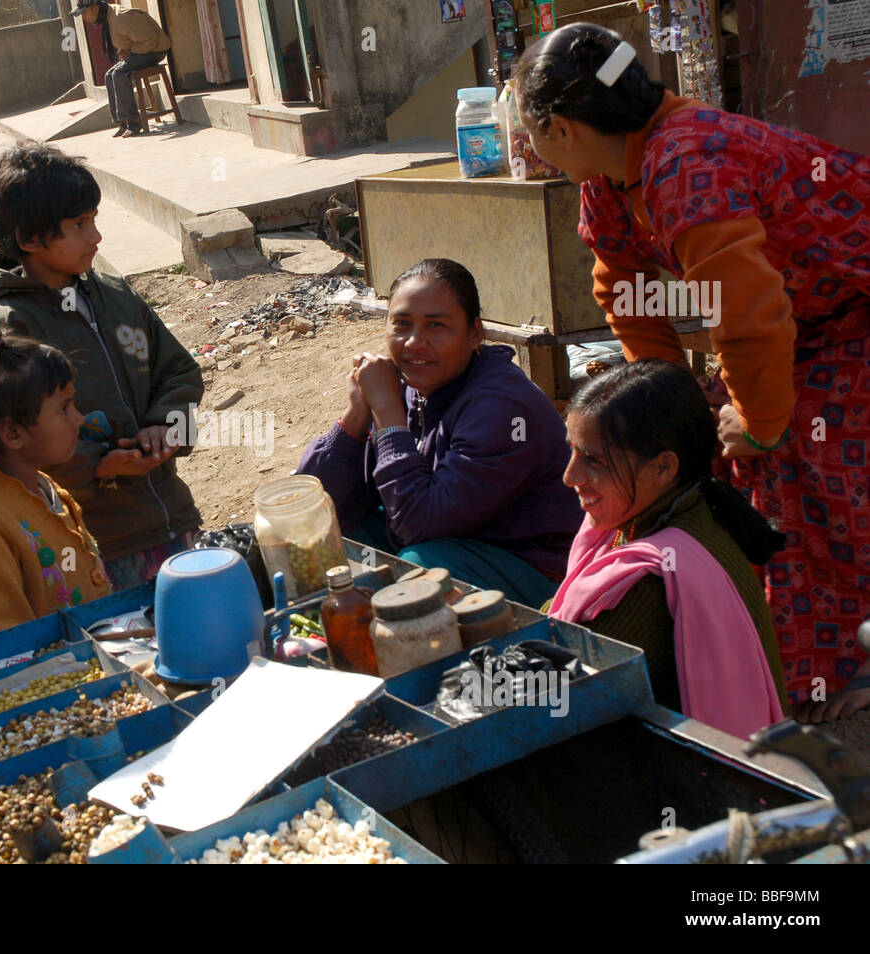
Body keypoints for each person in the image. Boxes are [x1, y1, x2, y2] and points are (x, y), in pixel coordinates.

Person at [513, 22, 870, 721]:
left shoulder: (687, 163)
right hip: (799, 326)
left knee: (807, 457)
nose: (529, 148)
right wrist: (666, 405)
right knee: (727, 450)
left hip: (853, 312)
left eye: (530, 132)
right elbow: (624, 290)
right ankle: (786, 648)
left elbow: (747, 314)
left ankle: (849, 663)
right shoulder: (610, 182)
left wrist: (762, 424)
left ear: (559, 127)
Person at [0, 140, 203, 589]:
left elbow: (180, 372)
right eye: (78, 225)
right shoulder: (14, 326)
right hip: (98, 545)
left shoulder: (115, 295)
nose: (95, 236)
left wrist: (164, 426)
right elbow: (22, 437)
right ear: (29, 239)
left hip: (173, 515)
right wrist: (99, 468)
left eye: (93, 220)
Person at [297, 258, 583, 607]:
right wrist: (357, 413)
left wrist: (387, 414)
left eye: (436, 326)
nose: (415, 342)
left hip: (532, 570)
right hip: (445, 538)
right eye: (401, 324)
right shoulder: (408, 386)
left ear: (475, 332)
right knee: (320, 530)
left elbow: (417, 523)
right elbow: (310, 502)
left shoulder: (504, 409)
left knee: (420, 568)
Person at [550, 361, 787, 738]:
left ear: (662, 468)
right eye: (573, 452)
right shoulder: (692, 509)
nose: (570, 476)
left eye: (593, 460)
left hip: (693, 786)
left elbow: (554, 699)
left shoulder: (649, 579)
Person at [0, 322, 112, 637]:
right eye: (64, 408)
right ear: (13, 433)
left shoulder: (48, 489)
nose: (79, 419)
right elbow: (5, 638)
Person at [74, 0, 171, 137]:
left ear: (95, 8)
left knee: (119, 74)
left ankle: (134, 121)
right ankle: (122, 122)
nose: (83, 17)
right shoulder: (108, 17)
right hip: (140, 51)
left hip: (154, 50)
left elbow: (151, 41)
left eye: (84, 13)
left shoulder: (122, 17)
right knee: (109, 75)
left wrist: (130, 51)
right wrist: (126, 50)